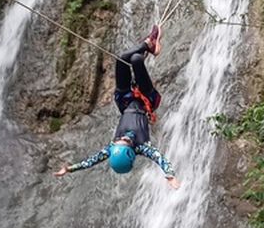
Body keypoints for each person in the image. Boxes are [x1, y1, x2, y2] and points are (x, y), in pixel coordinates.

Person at [53, 25, 181, 189]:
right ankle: (148, 44)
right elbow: (160, 158)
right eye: (124, 142)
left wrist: (69, 169)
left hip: (125, 100)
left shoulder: (112, 148)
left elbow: (89, 162)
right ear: (130, 152)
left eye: (118, 141)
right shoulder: (142, 146)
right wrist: (170, 176)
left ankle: (148, 45)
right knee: (135, 60)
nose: (121, 139)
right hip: (146, 100)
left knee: (122, 59)